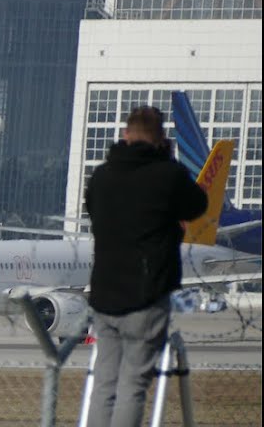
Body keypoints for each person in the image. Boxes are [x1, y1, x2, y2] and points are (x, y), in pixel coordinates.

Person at [84, 105, 207, 427]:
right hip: (145, 294)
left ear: (125, 135)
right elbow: (197, 206)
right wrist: (166, 159)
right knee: (133, 384)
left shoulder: (102, 176)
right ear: (161, 138)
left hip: (104, 294)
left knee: (104, 383)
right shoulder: (167, 174)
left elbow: (93, 211)